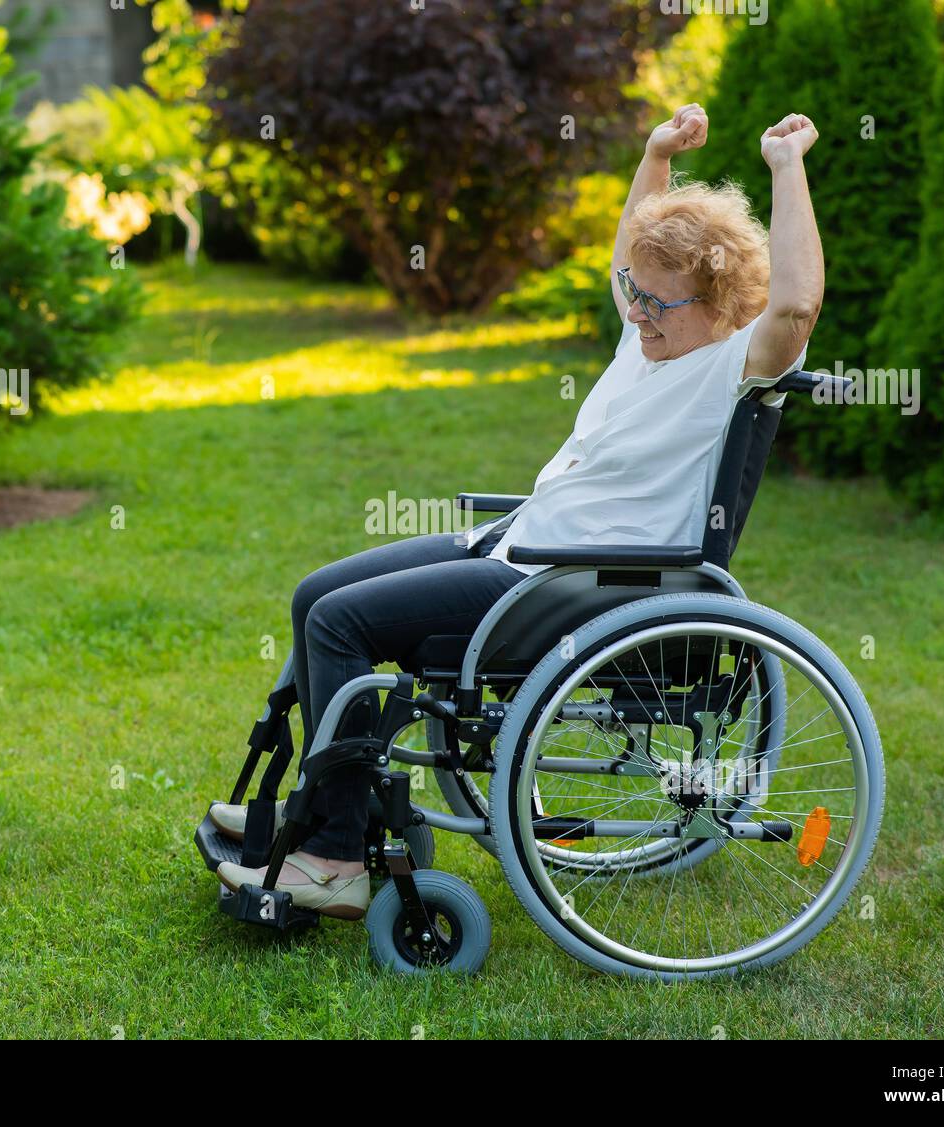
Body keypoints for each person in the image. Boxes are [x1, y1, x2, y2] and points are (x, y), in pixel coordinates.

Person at [214, 104, 824, 919]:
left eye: (657, 303)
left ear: (717, 303)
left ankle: (332, 858)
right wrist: (654, 158)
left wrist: (787, 167)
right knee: (313, 596)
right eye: (634, 295)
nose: (635, 310)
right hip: (520, 550)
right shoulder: (648, 340)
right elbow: (624, 260)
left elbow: (795, 308)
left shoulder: (730, 366)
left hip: (576, 586)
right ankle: (332, 814)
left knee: (339, 625)